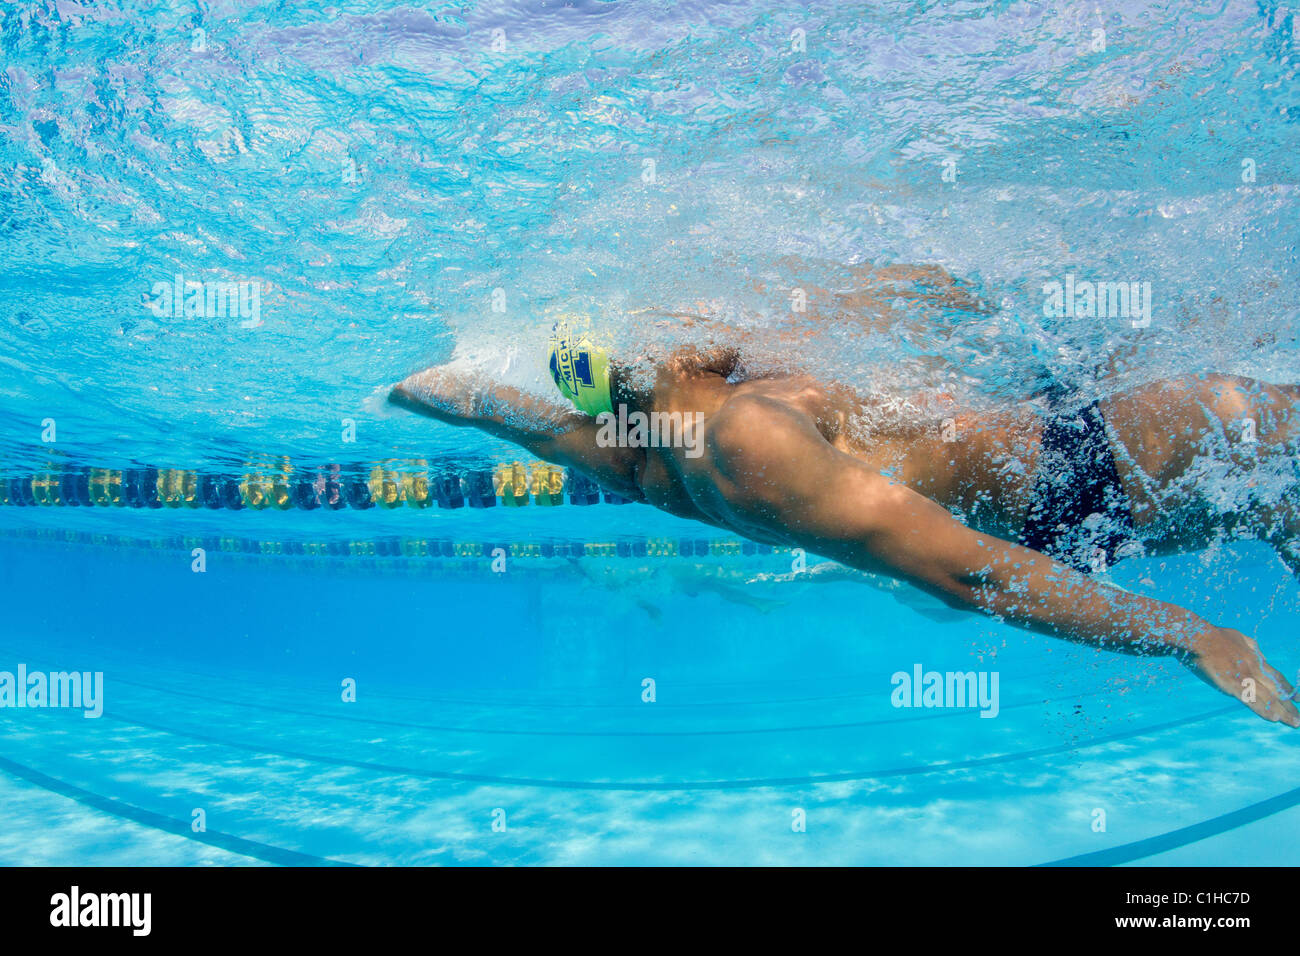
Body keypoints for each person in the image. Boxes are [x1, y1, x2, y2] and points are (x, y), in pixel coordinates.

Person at [387, 296, 1300, 727]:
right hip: (1088, 460)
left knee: (1275, 510)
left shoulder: (633, 453)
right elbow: (965, 571)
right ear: (657, 353)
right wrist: (1186, 635)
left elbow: (489, 408)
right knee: (1280, 421)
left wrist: (413, 381)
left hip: (1059, 497)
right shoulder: (750, 435)